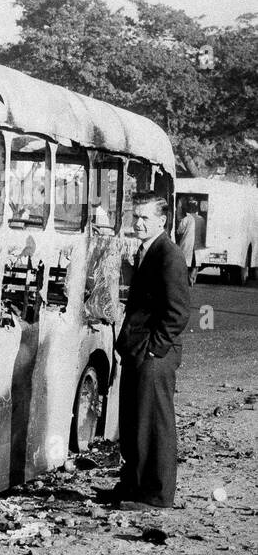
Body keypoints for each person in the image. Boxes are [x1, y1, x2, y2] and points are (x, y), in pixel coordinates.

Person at [114, 194, 192, 509]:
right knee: (134, 421)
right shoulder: (148, 251)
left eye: (145, 217)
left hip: (154, 356)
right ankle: (132, 485)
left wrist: (153, 350)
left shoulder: (169, 255)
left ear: (162, 221)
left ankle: (156, 495)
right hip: (140, 351)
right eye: (135, 216)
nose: (138, 223)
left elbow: (178, 311)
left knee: (155, 426)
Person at [175, 199, 199, 284]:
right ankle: (192, 278)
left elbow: (179, 231)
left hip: (187, 243)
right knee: (195, 263)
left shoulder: (186, 219)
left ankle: (187, 279)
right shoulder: (201, 219)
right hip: (198, 245)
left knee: (185, 263)